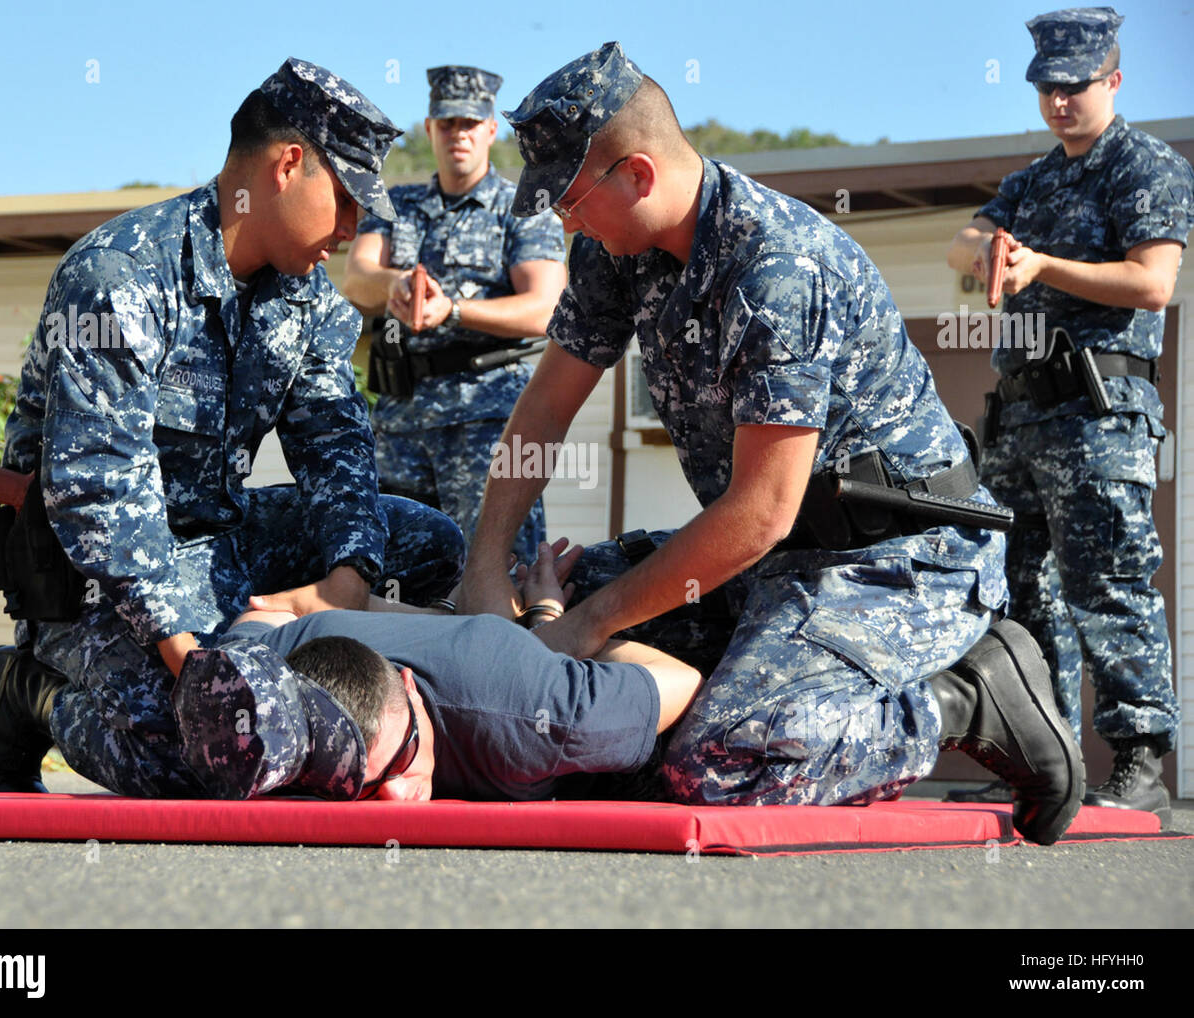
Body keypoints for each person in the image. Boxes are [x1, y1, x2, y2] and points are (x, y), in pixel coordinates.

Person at [456, 42, 1085, 844]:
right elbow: (545, 408)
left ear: (639, 176)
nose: (563, 222)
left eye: (571, 201)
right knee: (542, 670)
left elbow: (760, 511)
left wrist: (580, 632)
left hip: (897, 561)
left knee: (717, 762)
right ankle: (740, 680)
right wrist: (488, 567)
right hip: (766, 565)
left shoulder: (777, 265)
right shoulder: (613, 251)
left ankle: (964, 695)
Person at [0, 58, 466, 801]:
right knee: (189, 755)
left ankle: (293, 690)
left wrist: (346, 583)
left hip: (218, 542)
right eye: (348, 202)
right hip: (92, 575)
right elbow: (94, 495)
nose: (355, 230)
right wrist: (194, 667)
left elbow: (336, 451)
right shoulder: (123, 275)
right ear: (289, 166)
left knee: (427, 543)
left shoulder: (308, 301)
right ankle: (19, 685)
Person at [944, 8, 1190, 824]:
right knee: (1018, 590)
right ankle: (1044, 755)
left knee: (1108, 587)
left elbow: (1154, 283)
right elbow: (961, 244)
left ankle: (1139, 759)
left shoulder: (1145, 166)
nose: (1058, 102)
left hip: (1099, 413)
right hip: (1021, 420)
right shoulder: (1031, 181)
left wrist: (1045, 262)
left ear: (1113, 79)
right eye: (1046, 87)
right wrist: (988, 250)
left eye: (1074, 86)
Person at [175, 540, 703, 801]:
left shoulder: (537, 719)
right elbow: (262, 615)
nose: (396, 796)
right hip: (470, 625)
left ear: (406, 686)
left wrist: (555, 628)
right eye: (354, 784)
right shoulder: (273, 680)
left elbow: (682, 680)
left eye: (402, 759)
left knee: (713, 756)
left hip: (597, 619)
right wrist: (439, 617)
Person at [342, 65, 566, 564]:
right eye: (447, 124)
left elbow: (545, 309)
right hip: (401, 415)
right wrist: (395, 284)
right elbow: (356, 278)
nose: (458, 134)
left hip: (488, 418)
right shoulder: (396, 205)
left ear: (490, 129)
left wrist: (454, 310)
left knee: (495, 573)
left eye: (469, 123)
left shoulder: (524, 209)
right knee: (395, 572)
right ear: (429, 129)